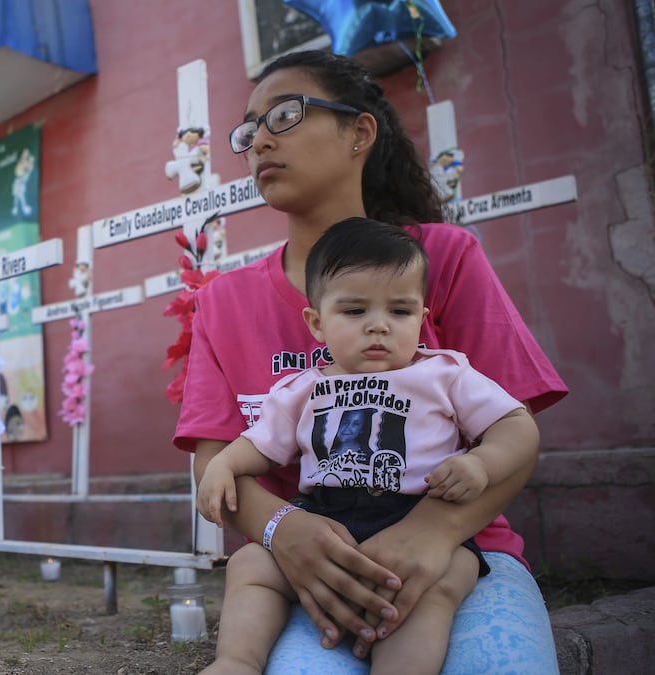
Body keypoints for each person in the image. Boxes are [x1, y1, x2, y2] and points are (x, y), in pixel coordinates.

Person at [173, 49, 567, 672]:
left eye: (286, 115)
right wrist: (284, 533)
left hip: (460, 555)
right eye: (250, 129)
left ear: (359, 131)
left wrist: (433, 534)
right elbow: (216, 470)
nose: (259, 143)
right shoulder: (222, 301)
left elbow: (515, 434)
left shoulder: (445, 259)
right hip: (309, 574)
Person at [196, 217, 540, 673]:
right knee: (249, 566)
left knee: (444, 578)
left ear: (422, 319)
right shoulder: (302, 389)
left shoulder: (445, 374)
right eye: (355, 312)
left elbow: (517, 426)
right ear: (317, 324)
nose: (378, 326)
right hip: (325, 520)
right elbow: (260, 444)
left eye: (399, 312)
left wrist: (481, 462)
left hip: (418, 513)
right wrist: (222, 465)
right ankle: (237, 661)